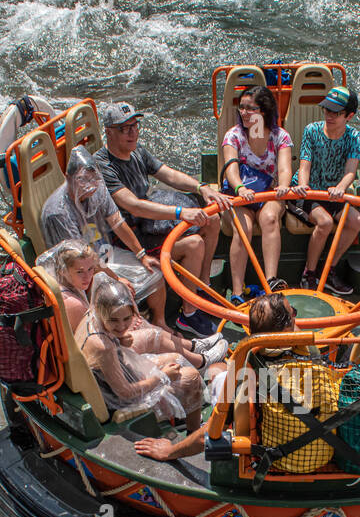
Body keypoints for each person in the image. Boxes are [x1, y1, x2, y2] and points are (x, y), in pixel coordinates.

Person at [94, 101, 229, 339]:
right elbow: (132, 204)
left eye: (135, 126)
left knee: (213, 218)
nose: (132, 133)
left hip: (148, 225)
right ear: (109, 132)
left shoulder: (136, 152)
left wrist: (201, 187)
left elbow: (167, 174)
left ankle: (201, 286)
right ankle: (188, 315)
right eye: (125, 129)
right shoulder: (103, 165)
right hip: (129, 237)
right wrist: (179, 213)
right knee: (194, 244)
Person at [134, 292, 299, 461]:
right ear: (288, 327)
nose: (295, 315)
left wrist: (170, 451)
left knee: (216, 371)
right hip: (309, 450)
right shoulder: (308, 353)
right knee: (219, 369)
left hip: (266, 454)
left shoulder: (247, 376)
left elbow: (213, 432)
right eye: (293, 313)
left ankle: (201, 414)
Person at [41, 145, 169, 329]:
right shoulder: (59, 213)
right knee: (118, 294)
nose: (89, 188)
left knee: (155, 274)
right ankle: (132, 332)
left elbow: (117, 222)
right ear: (68, 178)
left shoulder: (97, 188)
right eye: (82, 181)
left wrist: (142, 255)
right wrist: (116, 279)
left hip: (103, 252)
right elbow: (81, 259)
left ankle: (160, 322)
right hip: (79, 269)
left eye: (92, 180)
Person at [51, 241, 227, 368]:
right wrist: (122, 333)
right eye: (80, 272)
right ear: (63, 270)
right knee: (152, 335)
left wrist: (117, 279)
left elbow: (98, 269)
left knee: (142, 322)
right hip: (102, 360)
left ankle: (193, 347)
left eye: (90, 269)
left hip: (103, 344)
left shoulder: (72, 281)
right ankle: (201, 362)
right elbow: (88, 343)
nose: (87, 277)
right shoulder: (72, 304)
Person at [78, 278, 211, 432]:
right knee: (192, 378)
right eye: (114, 320)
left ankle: (182, 414)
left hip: (114, 377)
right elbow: (126, 393)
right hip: (117, 402)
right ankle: (195, 431)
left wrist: (119, 338)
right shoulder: (103, 347)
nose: (122, 326)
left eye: (127, 318)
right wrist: (161, 376)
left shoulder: (93, 315)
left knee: (175, 358)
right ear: (102, 311)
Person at [220, 85, 293, 302]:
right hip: (240, 194)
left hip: (267, 193)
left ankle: (270, 281)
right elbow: (231, 167)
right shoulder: (233, 135)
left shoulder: (280, 136)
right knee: (244, 228)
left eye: (250, 108)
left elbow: (284, 169)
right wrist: (240, 188)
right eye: (241, 107)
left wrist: (284, 185)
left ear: (263, 111)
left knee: (270, 219)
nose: (244, 112)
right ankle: (237, 291)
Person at [288, 86, 360, 296]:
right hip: (308, 193)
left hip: (332, 193)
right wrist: (303, 186)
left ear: (349, 116)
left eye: (335, 113)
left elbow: (350, 171)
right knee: (326, 222)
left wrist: (340, 188)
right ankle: (308, 274)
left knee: (355, 221)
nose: (329, 116)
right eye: (327, 111)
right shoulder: (312, 130)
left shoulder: (354, 137)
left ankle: (328, 270)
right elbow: (305, 165)